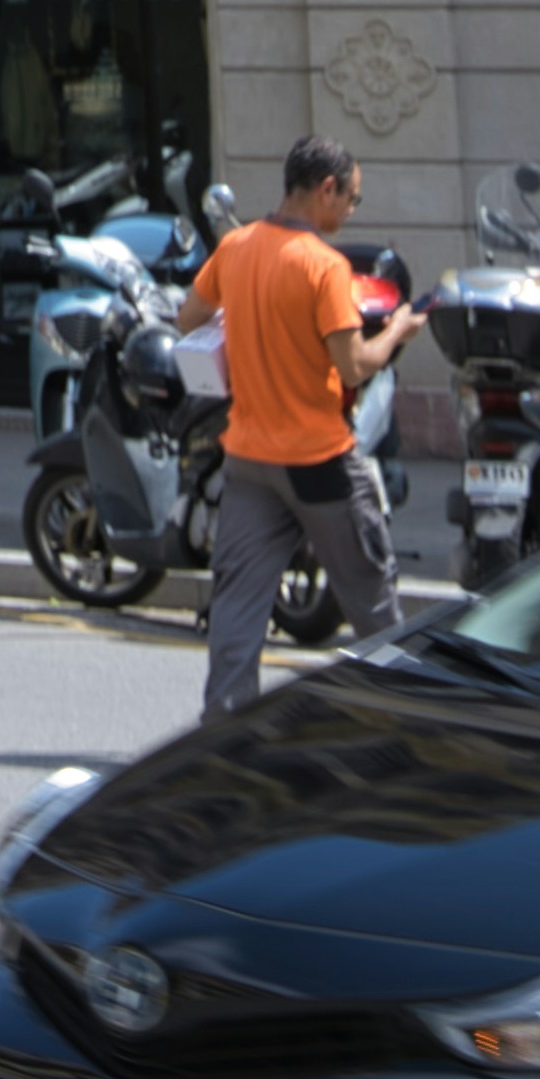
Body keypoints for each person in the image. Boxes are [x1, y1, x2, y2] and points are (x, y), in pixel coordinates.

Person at [181, 129, 417, 713]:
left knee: (237, 610)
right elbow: (354, 365)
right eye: (352, 198)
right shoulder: (323, 265)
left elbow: (188, 319)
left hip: (249, 461)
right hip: (319, 462)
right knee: (371, 601)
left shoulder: (235, 248)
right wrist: (396, 331)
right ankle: (411, 721)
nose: (352, 209)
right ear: (327, 190)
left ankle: (224, 732)